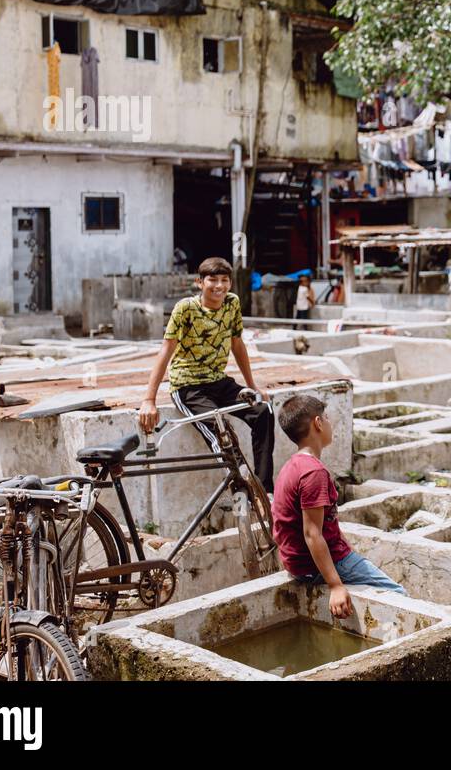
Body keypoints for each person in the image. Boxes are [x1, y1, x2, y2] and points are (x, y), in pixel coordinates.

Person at [138, 257, 277, 492]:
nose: (219, 286)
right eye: (213, 280)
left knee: (263, 411)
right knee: (218, 431)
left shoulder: (232, 303)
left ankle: (265, 490)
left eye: (224, 280)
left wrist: (252, 385)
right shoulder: (186, 309)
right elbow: (166, 350)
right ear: (199, 282)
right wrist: (149, 399)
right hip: (188, 386)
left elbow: (237, 344)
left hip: (219, 382)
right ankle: (242, 490)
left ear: (230, 284)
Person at [273, 393, 404, 618]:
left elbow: (323, 524)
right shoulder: (313, 472)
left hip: (297, 563)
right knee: (399, 595)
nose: (329, 423)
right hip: (313, 565)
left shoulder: (291, 466)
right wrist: (335, 585)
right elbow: (312, 533)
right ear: (318, 423)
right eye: (326, 417)